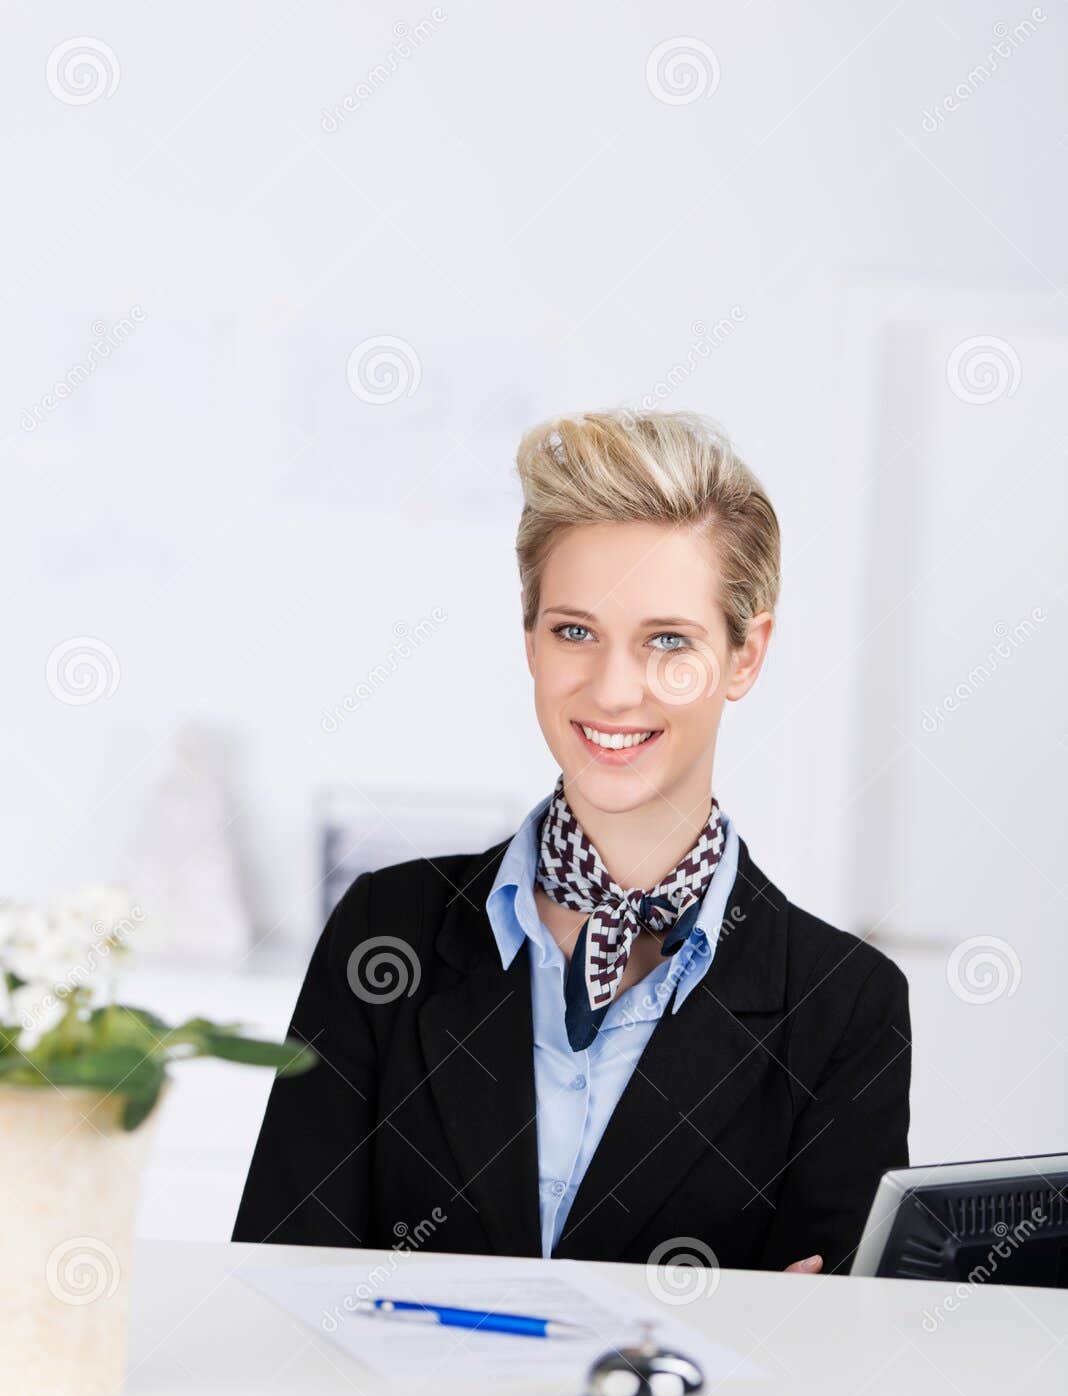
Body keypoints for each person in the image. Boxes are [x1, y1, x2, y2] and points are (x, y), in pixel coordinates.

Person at [232, 408, 910, 1274]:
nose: (613, 689)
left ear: (745, 655)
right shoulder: (385, 930)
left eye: (669, 640)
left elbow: (822, 1361)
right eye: (575, 632)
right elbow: (279, 1281)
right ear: (530, 640)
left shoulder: (845, 1007)